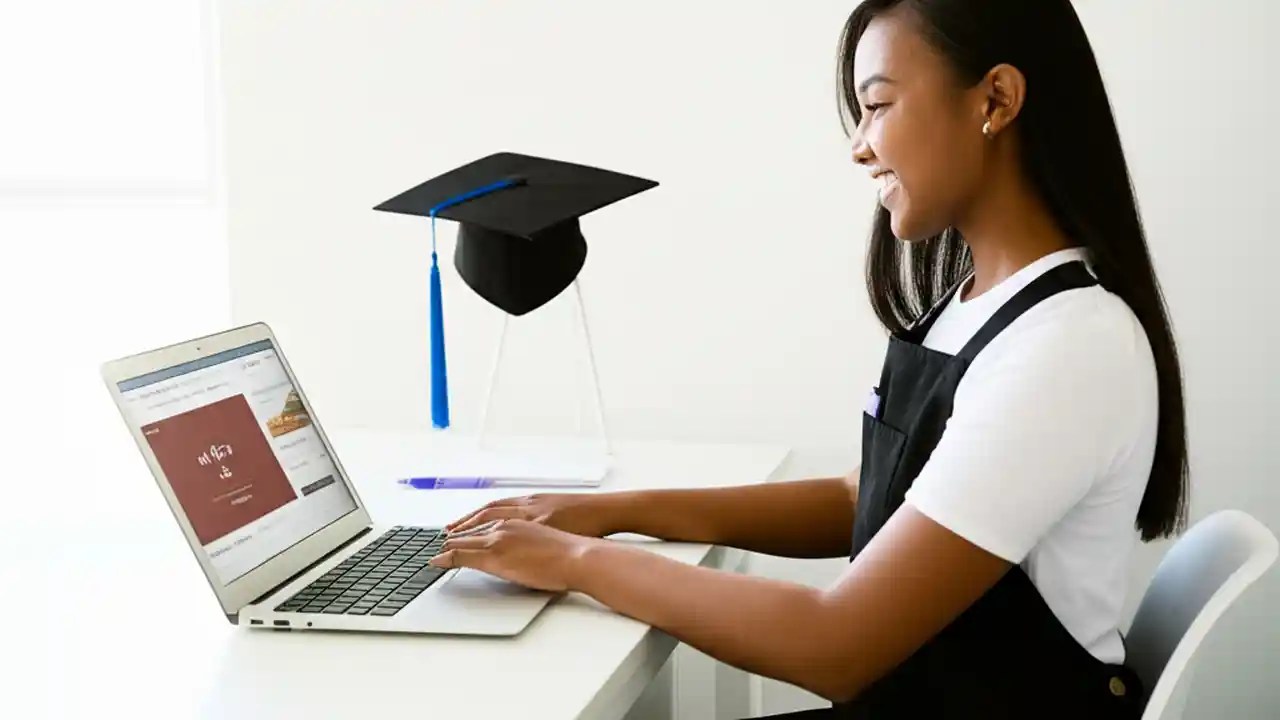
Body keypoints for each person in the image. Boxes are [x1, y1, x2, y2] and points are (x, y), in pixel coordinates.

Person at [427, 0, 1188, 716]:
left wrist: (571, 562)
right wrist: (608, 513)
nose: (859, 145)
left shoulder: (1065, 346)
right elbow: (871, 495)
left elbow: (836, 643)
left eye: (878, 105)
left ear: (994, 100)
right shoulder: (976, 309)